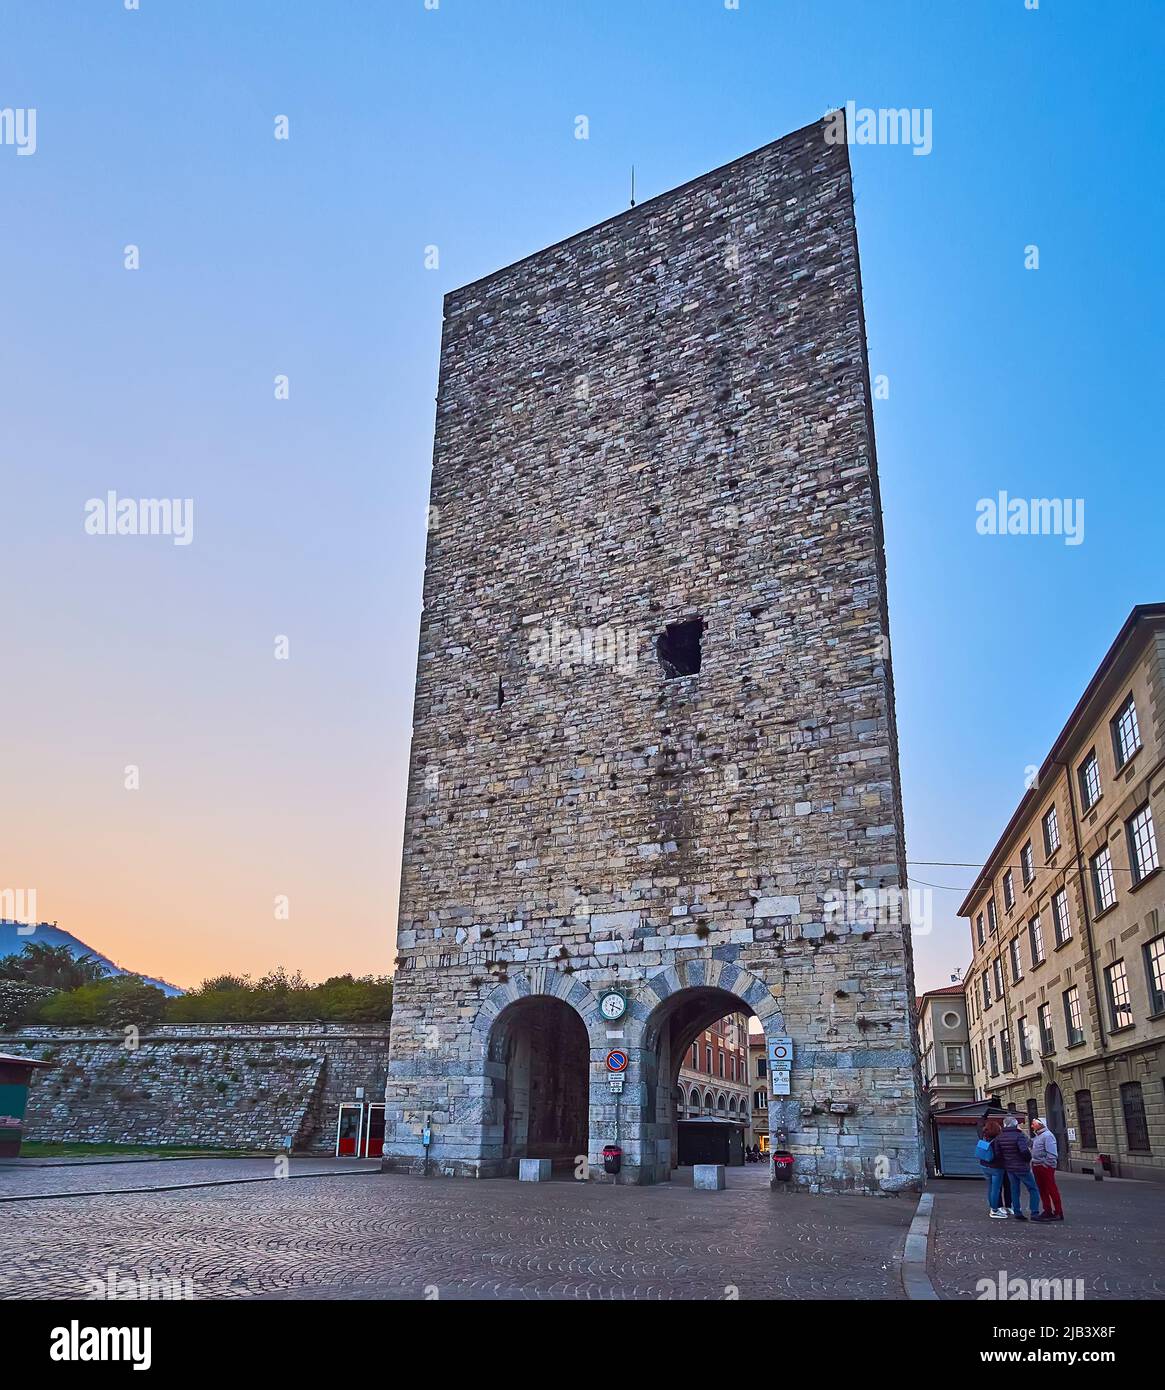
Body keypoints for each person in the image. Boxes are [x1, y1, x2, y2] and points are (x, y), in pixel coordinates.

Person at [993, 1114, 1041, 1220]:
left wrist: (1006, 1162)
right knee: (1033, 1188)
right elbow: (1024, 1150)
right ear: (1015, 1124)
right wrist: (1027, 1160)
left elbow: (998, 1154)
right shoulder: (1019, 1135)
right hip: (1021, 1167)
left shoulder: (999, 1137)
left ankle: (1017, 1212)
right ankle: (1034, 1212)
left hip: (1009, 1168)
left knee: (1014, 1189)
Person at [1031, 1117, 1064, 1221]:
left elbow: (1052, 1153)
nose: (1032, 1125)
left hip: (1044, 1166)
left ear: (1040, 1125)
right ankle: (1047, 1210)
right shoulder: (1038, 1136)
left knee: (1051, 1188)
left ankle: (1058, 1212)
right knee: (1042, 1189)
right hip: (1037, 1166)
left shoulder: (1048, 1136)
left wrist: (1045, 1164)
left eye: (1033, 1124)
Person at [977, 1118, 1008, 1217]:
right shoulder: (998, 1140)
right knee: (996, 1189)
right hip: (996, 1167)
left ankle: (992, 1207)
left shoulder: (984, 1138)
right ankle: (994, 1210)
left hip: (984, 1165)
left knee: (990, 1187)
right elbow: (999, 1155)